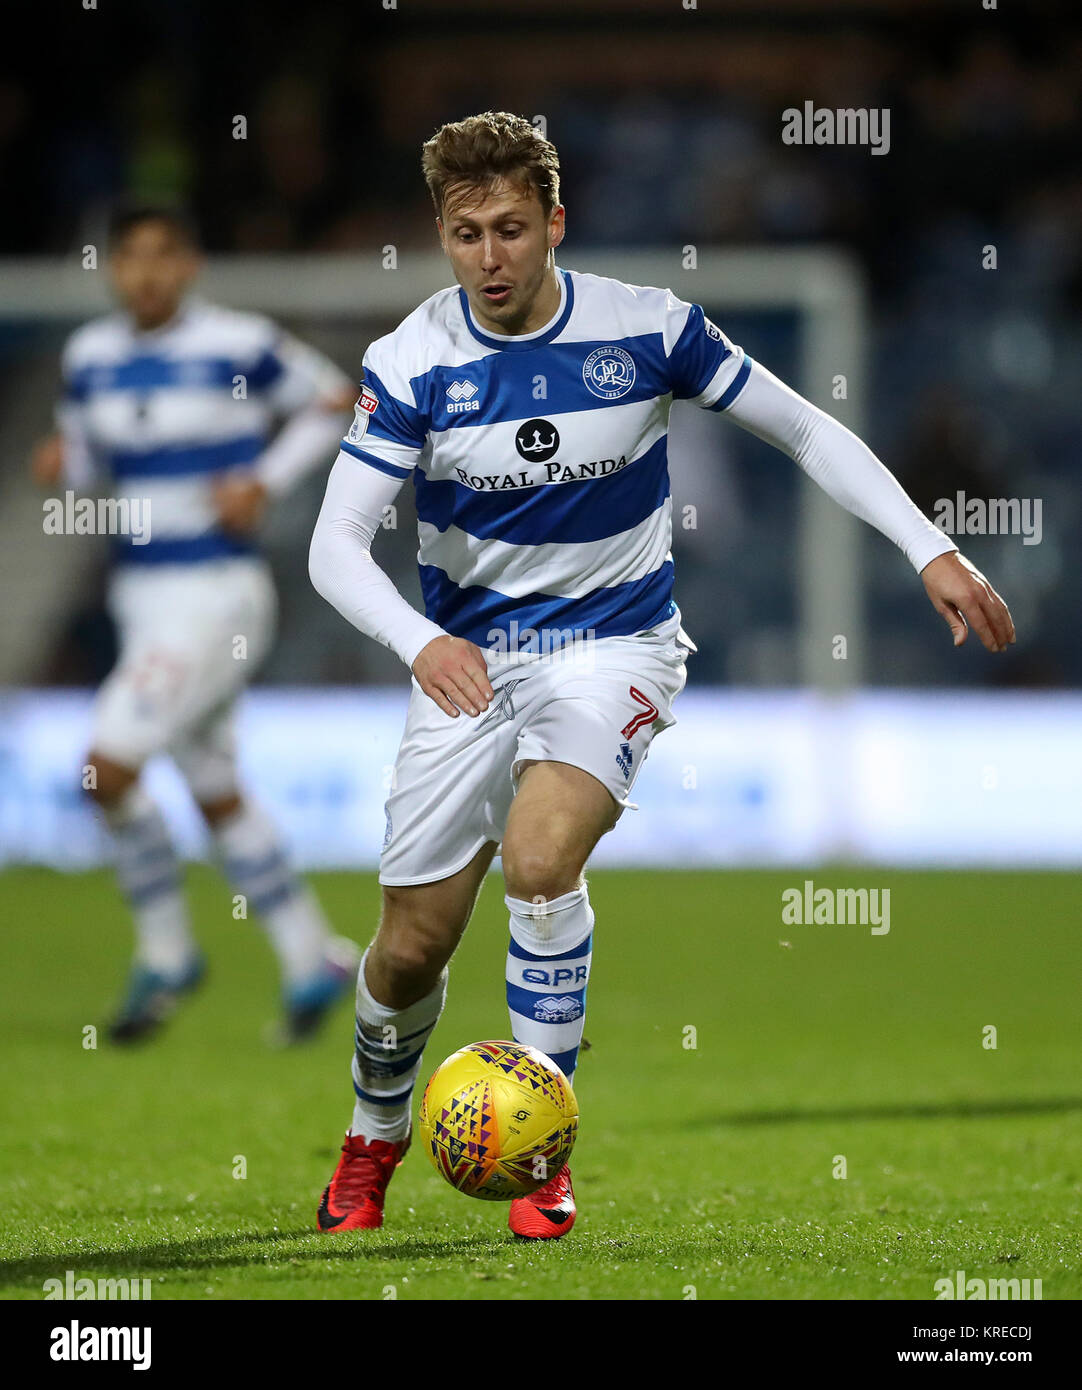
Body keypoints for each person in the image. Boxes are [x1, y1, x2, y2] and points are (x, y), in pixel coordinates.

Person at [308, 111, 1015, 1238]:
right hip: (466, 664)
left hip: (614, 645)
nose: (487, 258)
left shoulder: (645, 330)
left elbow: (803, 429)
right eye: (462, 235)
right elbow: (333, 544)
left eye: (507, 229)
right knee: (409, 949)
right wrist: (420, 642)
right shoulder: (412, 362)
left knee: (542, 860)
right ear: (440, 237)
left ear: (553, 223)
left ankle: (542, 1147)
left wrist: (926, 542)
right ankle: (370, 1134)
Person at [32, 205, 359, 1045]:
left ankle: (168, 951)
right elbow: (84, 459)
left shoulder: (236, 343)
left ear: (190, 265)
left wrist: (267, 479)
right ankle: (312, 956)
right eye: (128, 258)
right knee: (215, 791)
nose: (144, 273)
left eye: (161, 257)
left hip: (214, 592)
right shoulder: (90, 357)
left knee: (106, 770)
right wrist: (60, 465)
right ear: (112, 270)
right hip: (141, 596)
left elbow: (336, 401)